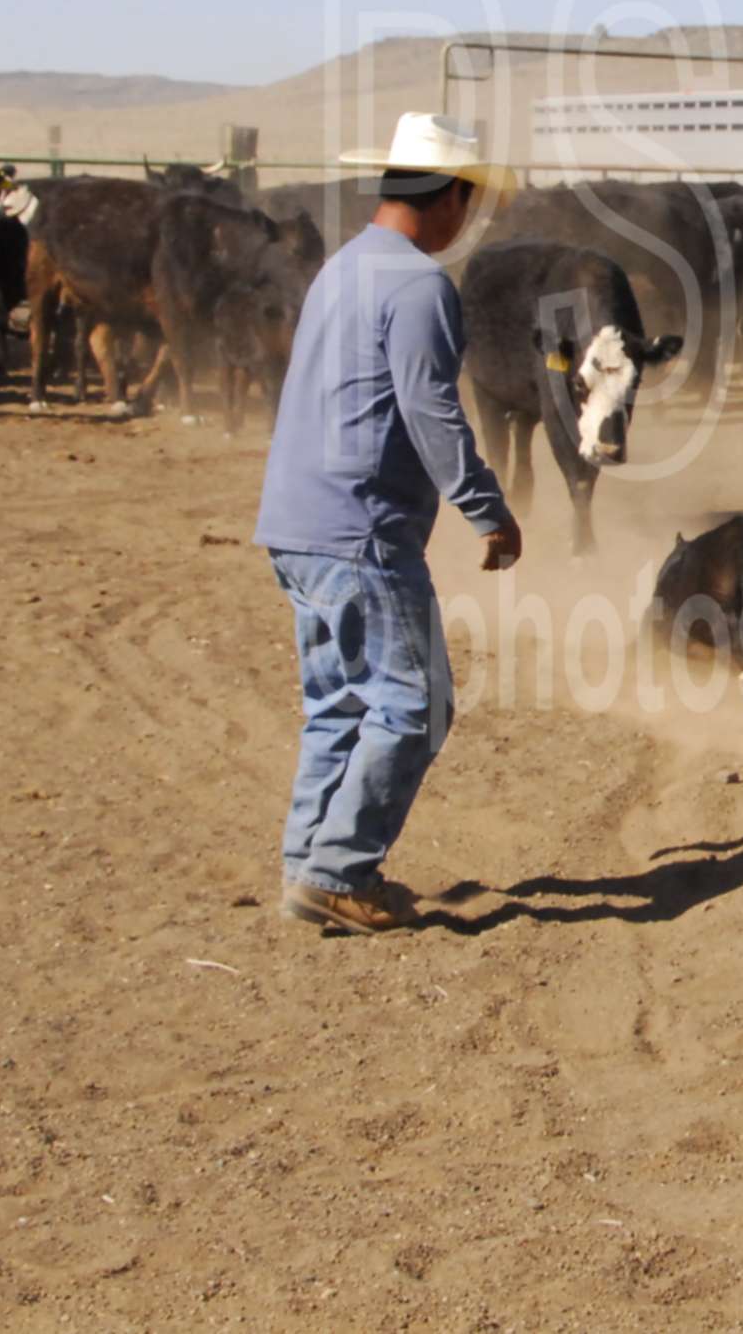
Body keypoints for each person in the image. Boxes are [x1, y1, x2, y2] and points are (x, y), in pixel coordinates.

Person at [255, 112, 522, 934]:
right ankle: (338, 868)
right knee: (415, 701)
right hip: (361, 529)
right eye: (471, 203)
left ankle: (312, 860)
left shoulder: (342, 269)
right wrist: (488, 508)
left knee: (340, 699)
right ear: (449, 196)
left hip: (297, 522)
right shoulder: (416, 285)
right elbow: (432, 412)